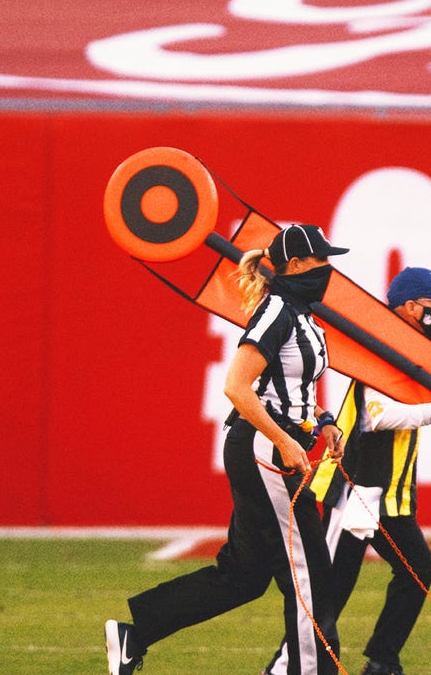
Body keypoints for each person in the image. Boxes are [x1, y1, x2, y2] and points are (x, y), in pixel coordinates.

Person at [105, 224, 350, 675]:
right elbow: (237, 387)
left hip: (269, 444)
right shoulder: (277, 311)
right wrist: (283, 439)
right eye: (322, 260)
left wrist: (325, 421)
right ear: (295, 265)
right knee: (310, 572)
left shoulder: (299, 313)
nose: (329, 269)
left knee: (244, 575)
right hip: (265, 448)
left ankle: (135, 634)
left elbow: (288, 390)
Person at [265, 266, 431, 675]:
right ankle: (285, 666)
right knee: (331, 588)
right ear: (410, 307)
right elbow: (375, 416)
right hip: (358, 489)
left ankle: (382, 660)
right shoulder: (384, 349)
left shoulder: (405, 349)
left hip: (382, 494)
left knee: (409, 569)